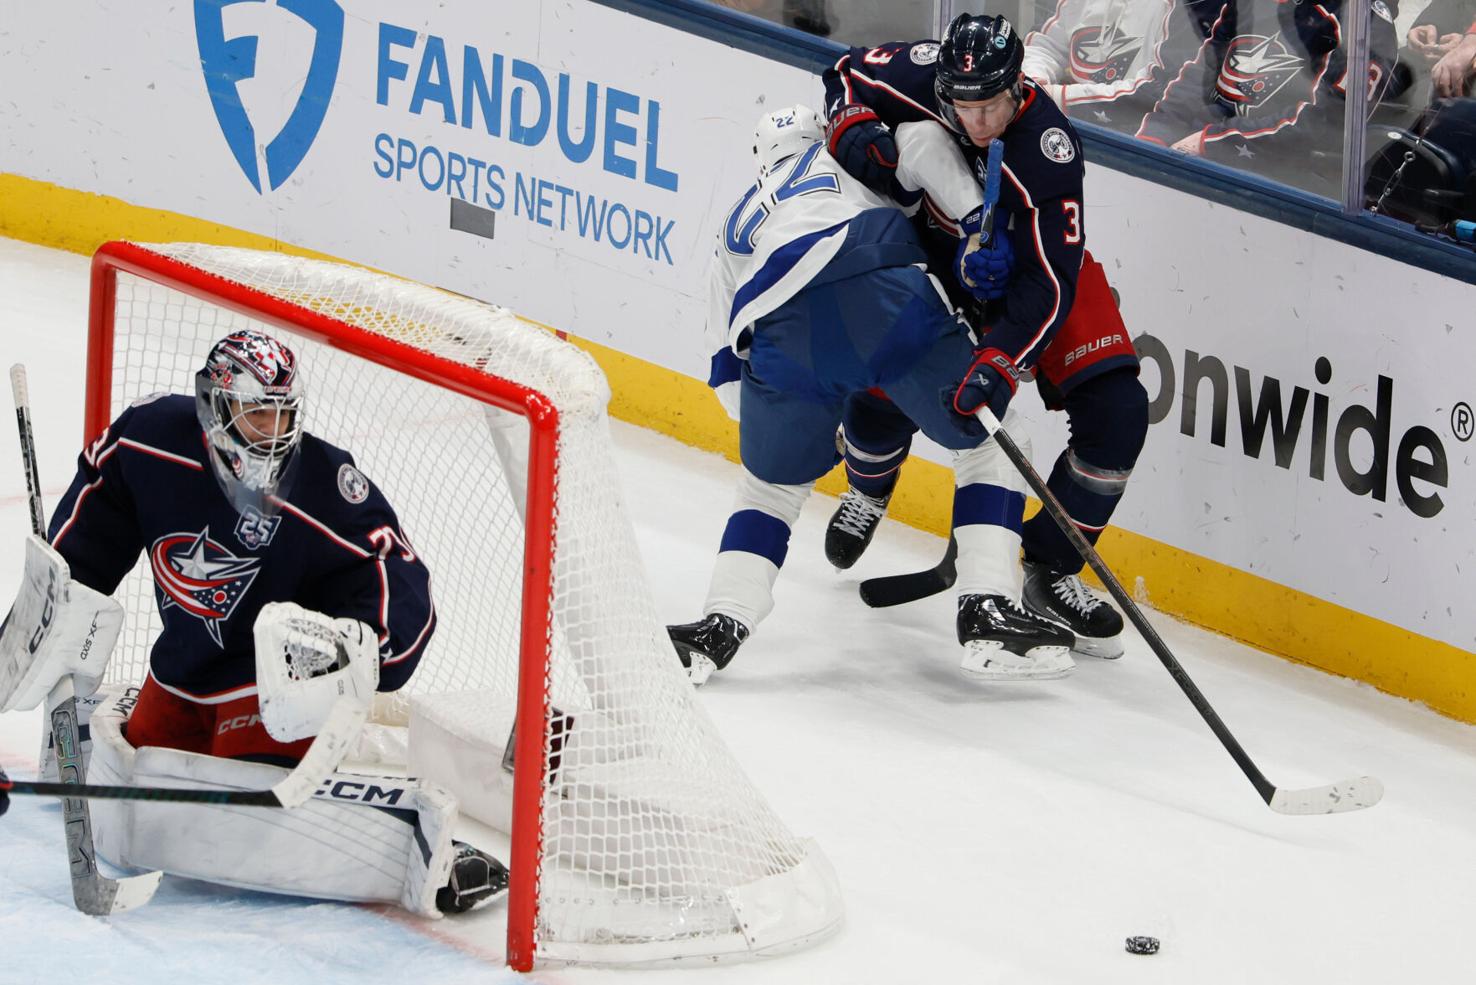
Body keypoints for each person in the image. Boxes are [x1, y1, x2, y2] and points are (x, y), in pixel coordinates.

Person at [0, 329, 505, 916]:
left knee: (240, 813)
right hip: (179, 673)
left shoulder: (324, 485)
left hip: (267, 693)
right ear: (214, 405)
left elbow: (397, 575)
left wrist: (362, 650)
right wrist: (62, 595)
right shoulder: (150, 439)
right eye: (257, 413)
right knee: (146, 778)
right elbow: (91, 521)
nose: (275, 431)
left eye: (284, 415)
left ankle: (433, 852)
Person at [666, 104, 1075, 685]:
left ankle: (720, 625)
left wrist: (788, 433)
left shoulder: (738, 218)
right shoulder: (845, 149)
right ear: (820, 132)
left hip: (777, 326)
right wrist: (974, 219)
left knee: (768, 490)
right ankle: (987, 605)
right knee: (992, 443)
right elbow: (924, 142)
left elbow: (725, 364)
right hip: (880, 287)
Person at [819, 12, 1149, 659]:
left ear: (1016, 86)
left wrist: (1000, 357)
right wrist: (854, 132)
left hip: (1030, 277)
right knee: (887, 392)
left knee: (1118, 411)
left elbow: (1050, 282)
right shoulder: (924, 73)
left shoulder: (1047, 149)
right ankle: (869, 485)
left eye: (992, 106)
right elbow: (843, 75)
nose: (977, 122)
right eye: (964, 107)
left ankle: (1049, 566)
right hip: (933, 258)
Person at [1135, 0, 1404, 194]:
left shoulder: (1366, 25)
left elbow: (1323, 126)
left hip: (1282, 192)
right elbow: (1201, 73)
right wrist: (1156, 135)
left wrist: (1212, 141)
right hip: (1200, 159)